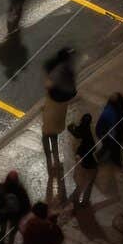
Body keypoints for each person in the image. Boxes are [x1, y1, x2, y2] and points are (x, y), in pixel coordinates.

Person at [42, 47, 77, 180]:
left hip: (53, 104)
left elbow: (49, 84)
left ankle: (50, 162)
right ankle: (55, 160)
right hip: (61, 105)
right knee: (53, 132)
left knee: (47, 132)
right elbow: (73, 90)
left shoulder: (59, 69)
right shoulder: (67, 70)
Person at [0, 170, 32, 244]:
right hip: (12, 214)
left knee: (5, 229)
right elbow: (26, 204)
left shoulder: (2, 187)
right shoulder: (20, 189)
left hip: (7, 213)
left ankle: (2, 243)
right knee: (11, 230)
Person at [68, 111, 100, 205]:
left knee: (80, 184)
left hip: (83, 164)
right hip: (92, 164)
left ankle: (75, 199)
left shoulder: (79, 134)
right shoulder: (90, 133)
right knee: (89, 184)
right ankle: (84, 201)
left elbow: (76, 150)